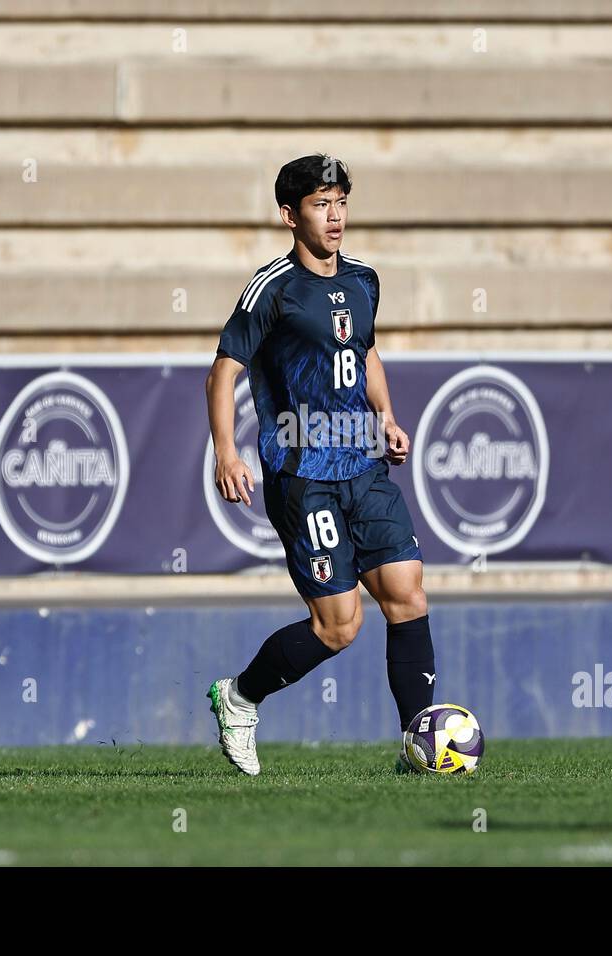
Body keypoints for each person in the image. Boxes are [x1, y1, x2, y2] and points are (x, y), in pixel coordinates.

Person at [203, 154, 435, 774]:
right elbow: (223, 373)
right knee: (338, 626)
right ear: (289, 215)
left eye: (340, 201)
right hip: (304, 474)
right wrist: (227, 451)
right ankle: (240, 696)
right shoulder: (270, 289)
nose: (334, 217)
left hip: (363, 464)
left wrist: (385, 415)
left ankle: (419, 743)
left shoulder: (364, 280)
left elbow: (367, 353)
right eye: (319, 204)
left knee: (407, 593)